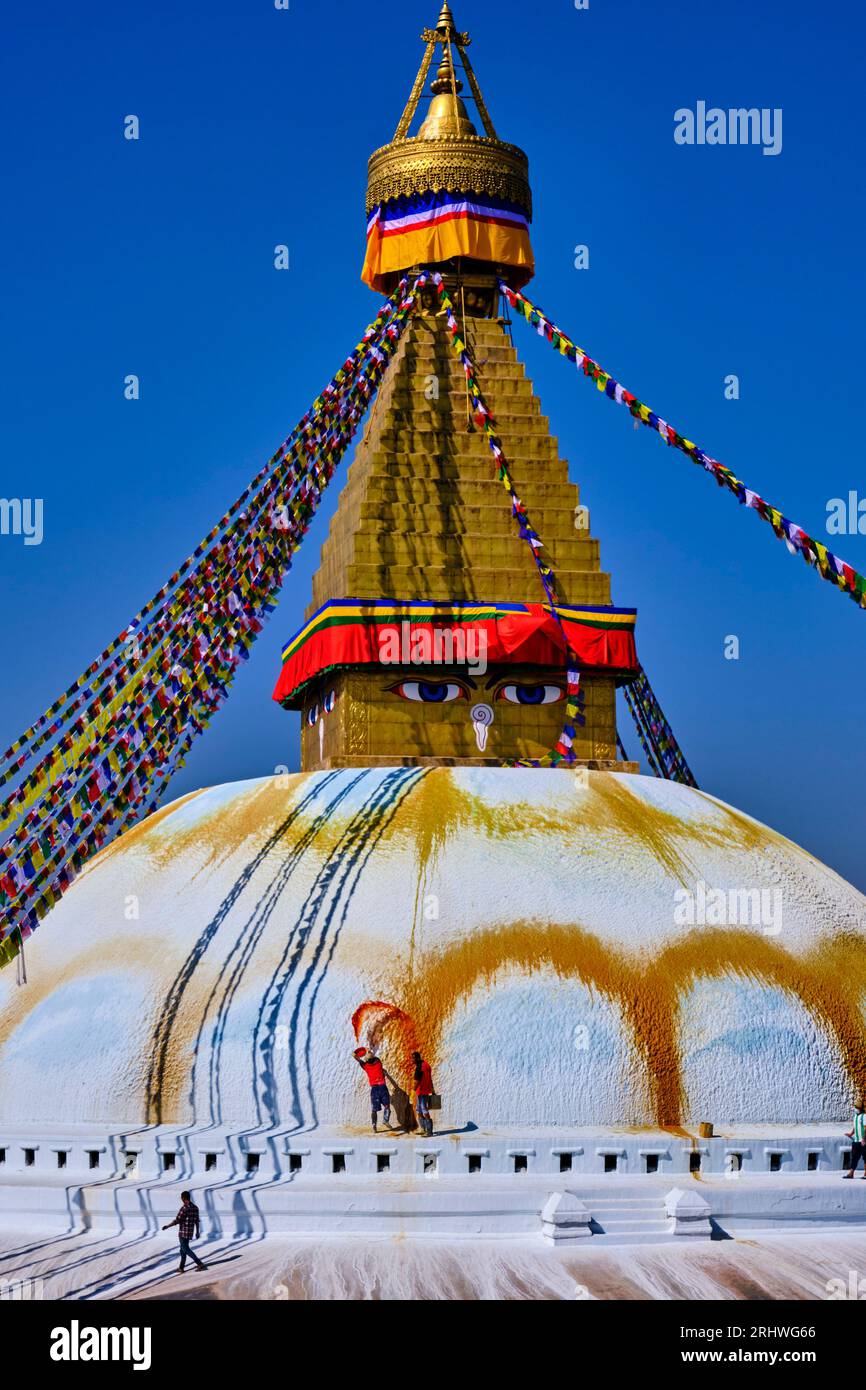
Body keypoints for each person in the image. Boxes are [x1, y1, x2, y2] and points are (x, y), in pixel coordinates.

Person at [162, 1191, 208, 1272]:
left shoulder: (184, 1208)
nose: (181, 1199)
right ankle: (181, 1267)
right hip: (190, 1232)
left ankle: (200, 1264)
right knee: (182, 1250)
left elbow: (177, 1220)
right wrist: (197, 1232)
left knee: (186, 1249)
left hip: (183, 1232)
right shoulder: (195, 1207)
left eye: (181, 1197)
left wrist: (167, 1226)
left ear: (183, 1198)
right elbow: (196, 1221)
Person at [354, 1047, 392, 1132]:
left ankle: (374, 1125)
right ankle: (386, 1120)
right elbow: (374, 1057)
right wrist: (368, 1051)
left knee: (374, 1109)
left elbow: (355, 1057)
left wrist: (359, 1052)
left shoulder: (365, 1066)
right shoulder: (378, 1063)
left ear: (367, 1060)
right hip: (383, 1087)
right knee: (387, 1106)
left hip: (374, 1089)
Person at [411, 1050, 435, 1137]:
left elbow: (416, 1082)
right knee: (419, 1109)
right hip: (425, 1091)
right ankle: (423, 1129)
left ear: (417, 1058)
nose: (412, 1060)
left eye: (413, 1058)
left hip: (421, 1091)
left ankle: (429, 1131)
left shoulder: (419, 1067)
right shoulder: (426, 1065)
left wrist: (412, 1092)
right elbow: (430, 1079)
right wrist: (433, 1091)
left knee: (424, 1109)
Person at [843, 1100, 866, 1179]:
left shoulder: (864, 1116)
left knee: (865, 1157)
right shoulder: (855, 1116)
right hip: (856, 1141)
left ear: (860, 1108)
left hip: (863, 1141)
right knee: (854, 1158)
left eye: (856, 1107)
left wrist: (864, 1139)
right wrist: (851, 1134)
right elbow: (855, 1127)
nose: (855, 1108)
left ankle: (865, 1174)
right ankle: (851, 1173)